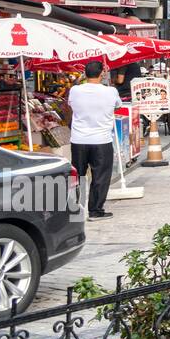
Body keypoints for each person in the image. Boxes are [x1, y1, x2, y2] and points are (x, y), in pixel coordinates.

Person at [68, 60, 123, 220]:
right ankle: (95, 210)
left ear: (85, 73)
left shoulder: (75, 90)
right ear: (102, 73)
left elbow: (71, 105)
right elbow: (117, 105)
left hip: (78, 140)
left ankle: (74, 209)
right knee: (100, 175)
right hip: (101, 140)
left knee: (77, 175)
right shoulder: (111, 92)